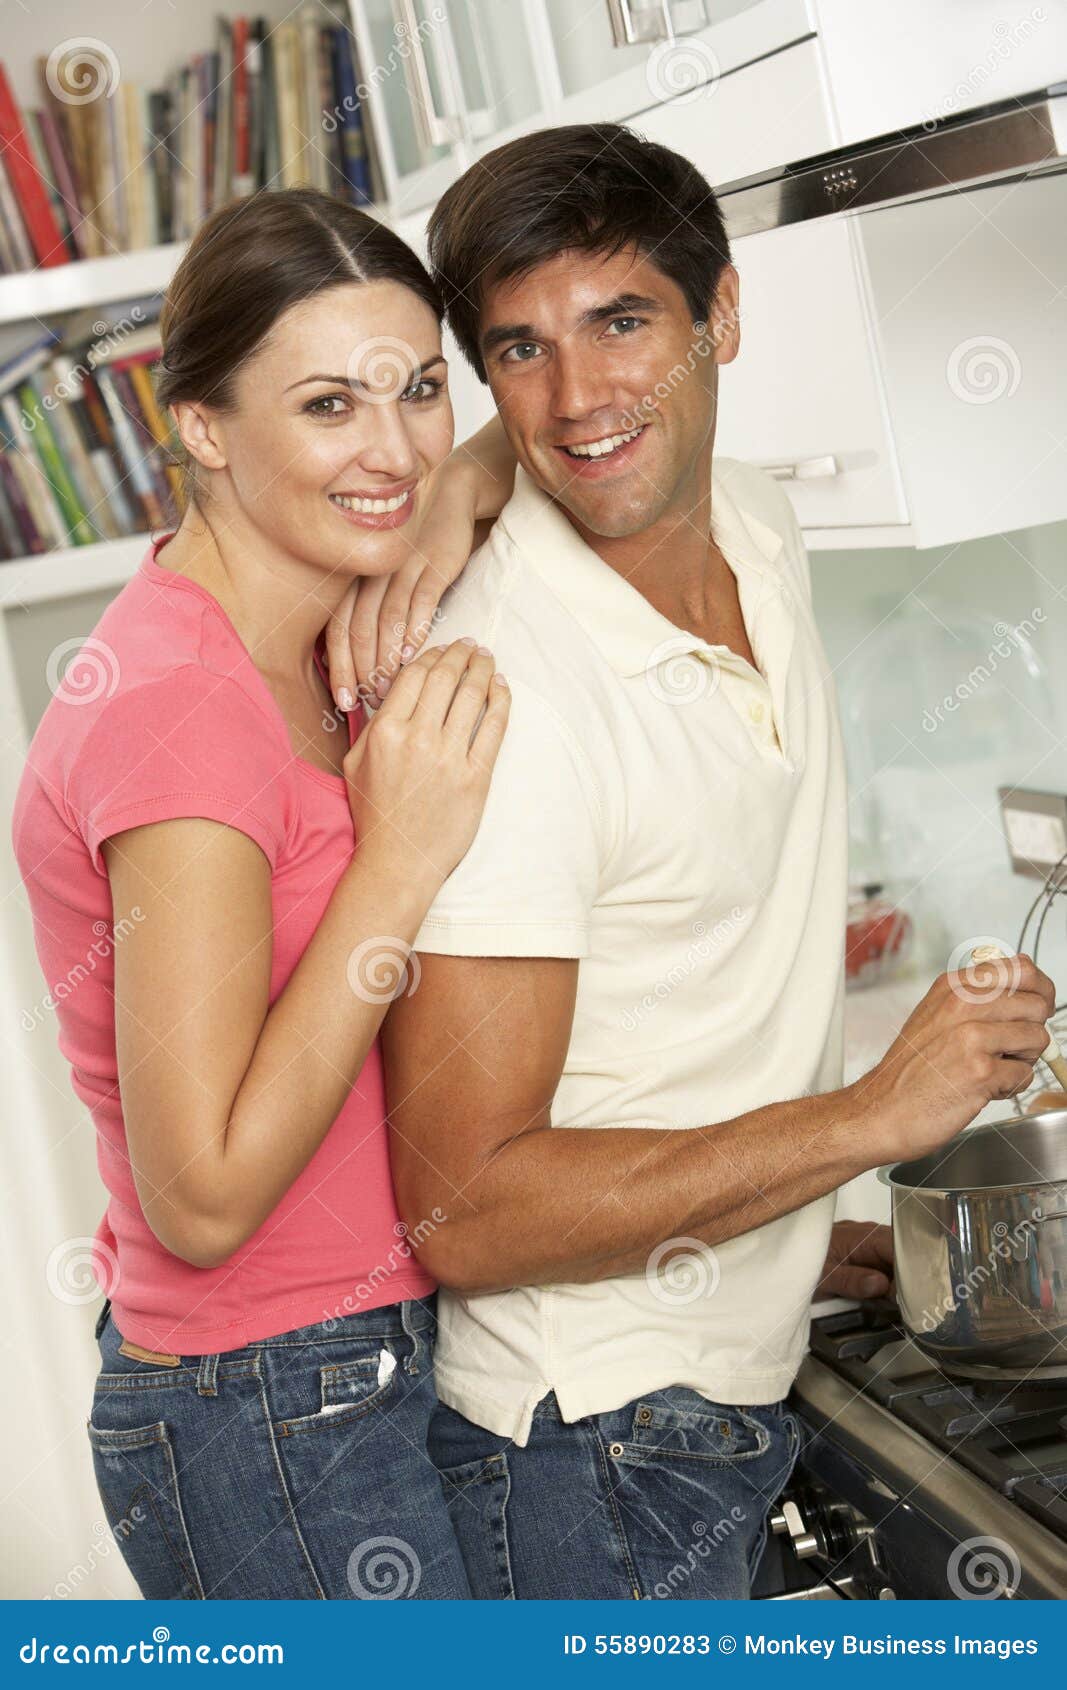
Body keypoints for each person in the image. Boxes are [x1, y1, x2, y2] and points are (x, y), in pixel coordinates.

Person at [379, 124, 1057, 1600]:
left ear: (723, 316)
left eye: (622, 320)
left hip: (698, 1385)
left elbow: (652, 1046)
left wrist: (788, 1233)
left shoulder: (759, 518)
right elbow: (467, 1211)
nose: (574, 398)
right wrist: (872, 1113)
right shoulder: (505, 693)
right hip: (590, 1452)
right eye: (516, 351)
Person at [10, 187, 512, 1600]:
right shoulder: (183, 709)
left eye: (419, 387)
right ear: (205, 427)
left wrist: (460, 484)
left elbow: (528, 438)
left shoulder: (279, 626)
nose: (397, 445)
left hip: (349, 1365)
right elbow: (204, 1195)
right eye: (330, 406)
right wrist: (400, 860)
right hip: (270, 1403)